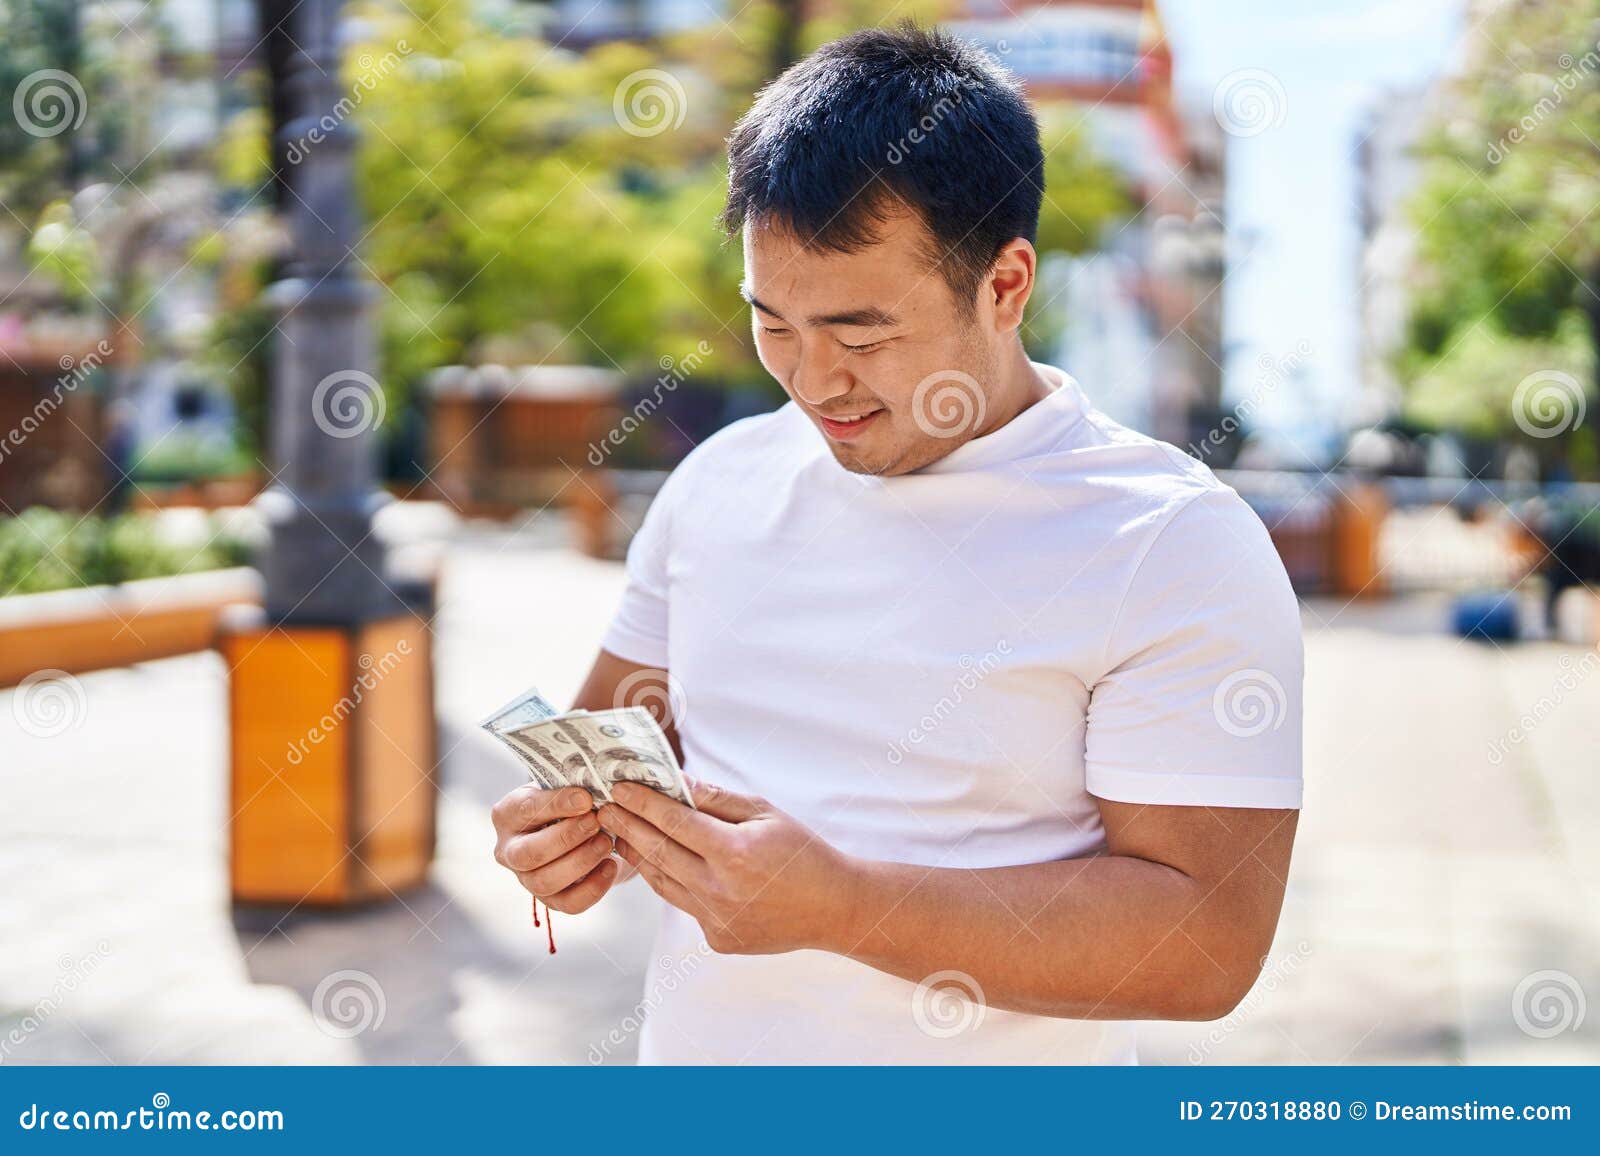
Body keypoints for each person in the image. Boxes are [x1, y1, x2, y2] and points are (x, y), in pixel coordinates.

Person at [491, 23, 1303, 1064]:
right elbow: (622, 744)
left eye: (861, 332)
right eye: (772, 323)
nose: (813, 378)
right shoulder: (719, 483)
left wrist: (847, 906)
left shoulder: (1170, 541)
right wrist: (569, 833)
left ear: (1005, 285)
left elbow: (1207, 946)